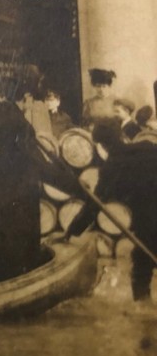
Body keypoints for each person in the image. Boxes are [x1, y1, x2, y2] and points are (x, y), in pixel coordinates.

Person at [0, 74, 80, 284]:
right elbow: (40, 164)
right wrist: (75, 187)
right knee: (16, 264)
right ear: (24, 97)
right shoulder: (17, 122)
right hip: (16, 207)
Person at [64, 118, 157, 301]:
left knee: (141, 266)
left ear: (102, 145)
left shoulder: (111, 169)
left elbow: (94, 206)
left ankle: (144, 316)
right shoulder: (147, 147)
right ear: (121, 136)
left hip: (148, 220)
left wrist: (72, 230)